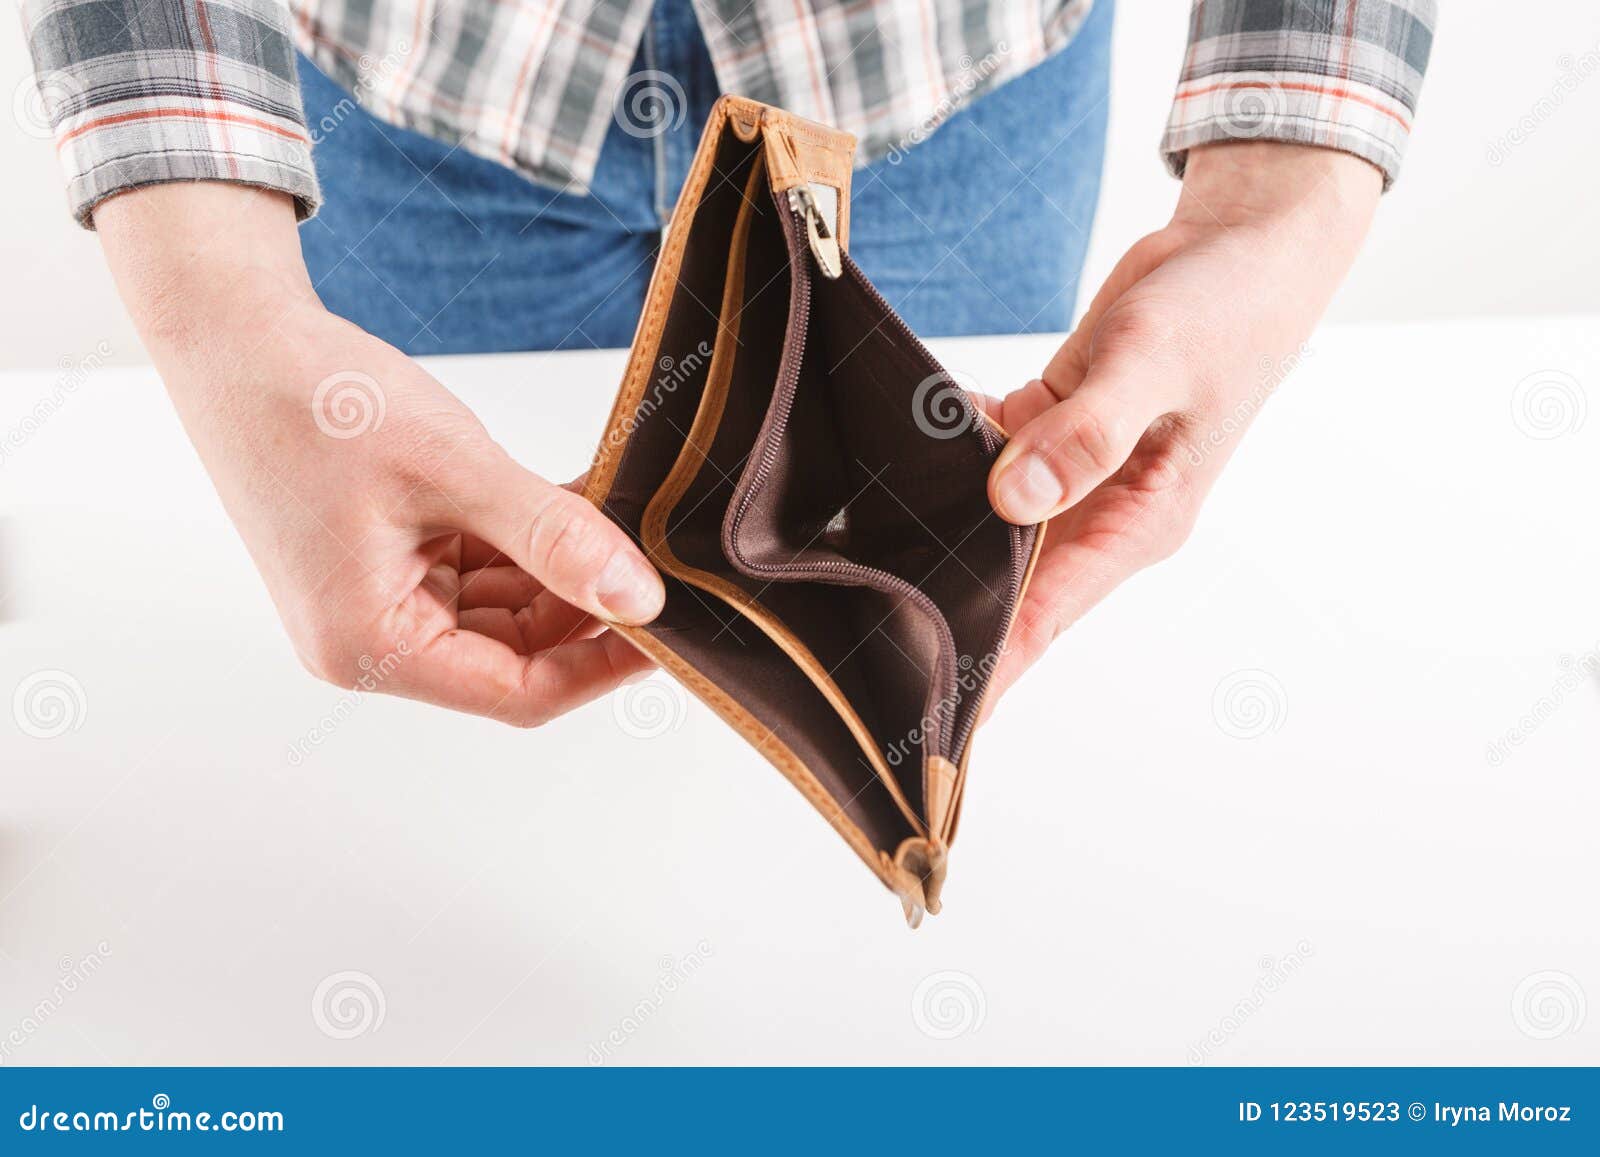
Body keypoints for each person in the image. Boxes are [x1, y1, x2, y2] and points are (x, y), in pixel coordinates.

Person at [22, 0, 1434, 724]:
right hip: (403, 91)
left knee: (913, 681)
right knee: (455, 702)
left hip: (946, 85)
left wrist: (1280, 191)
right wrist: (221, 304)